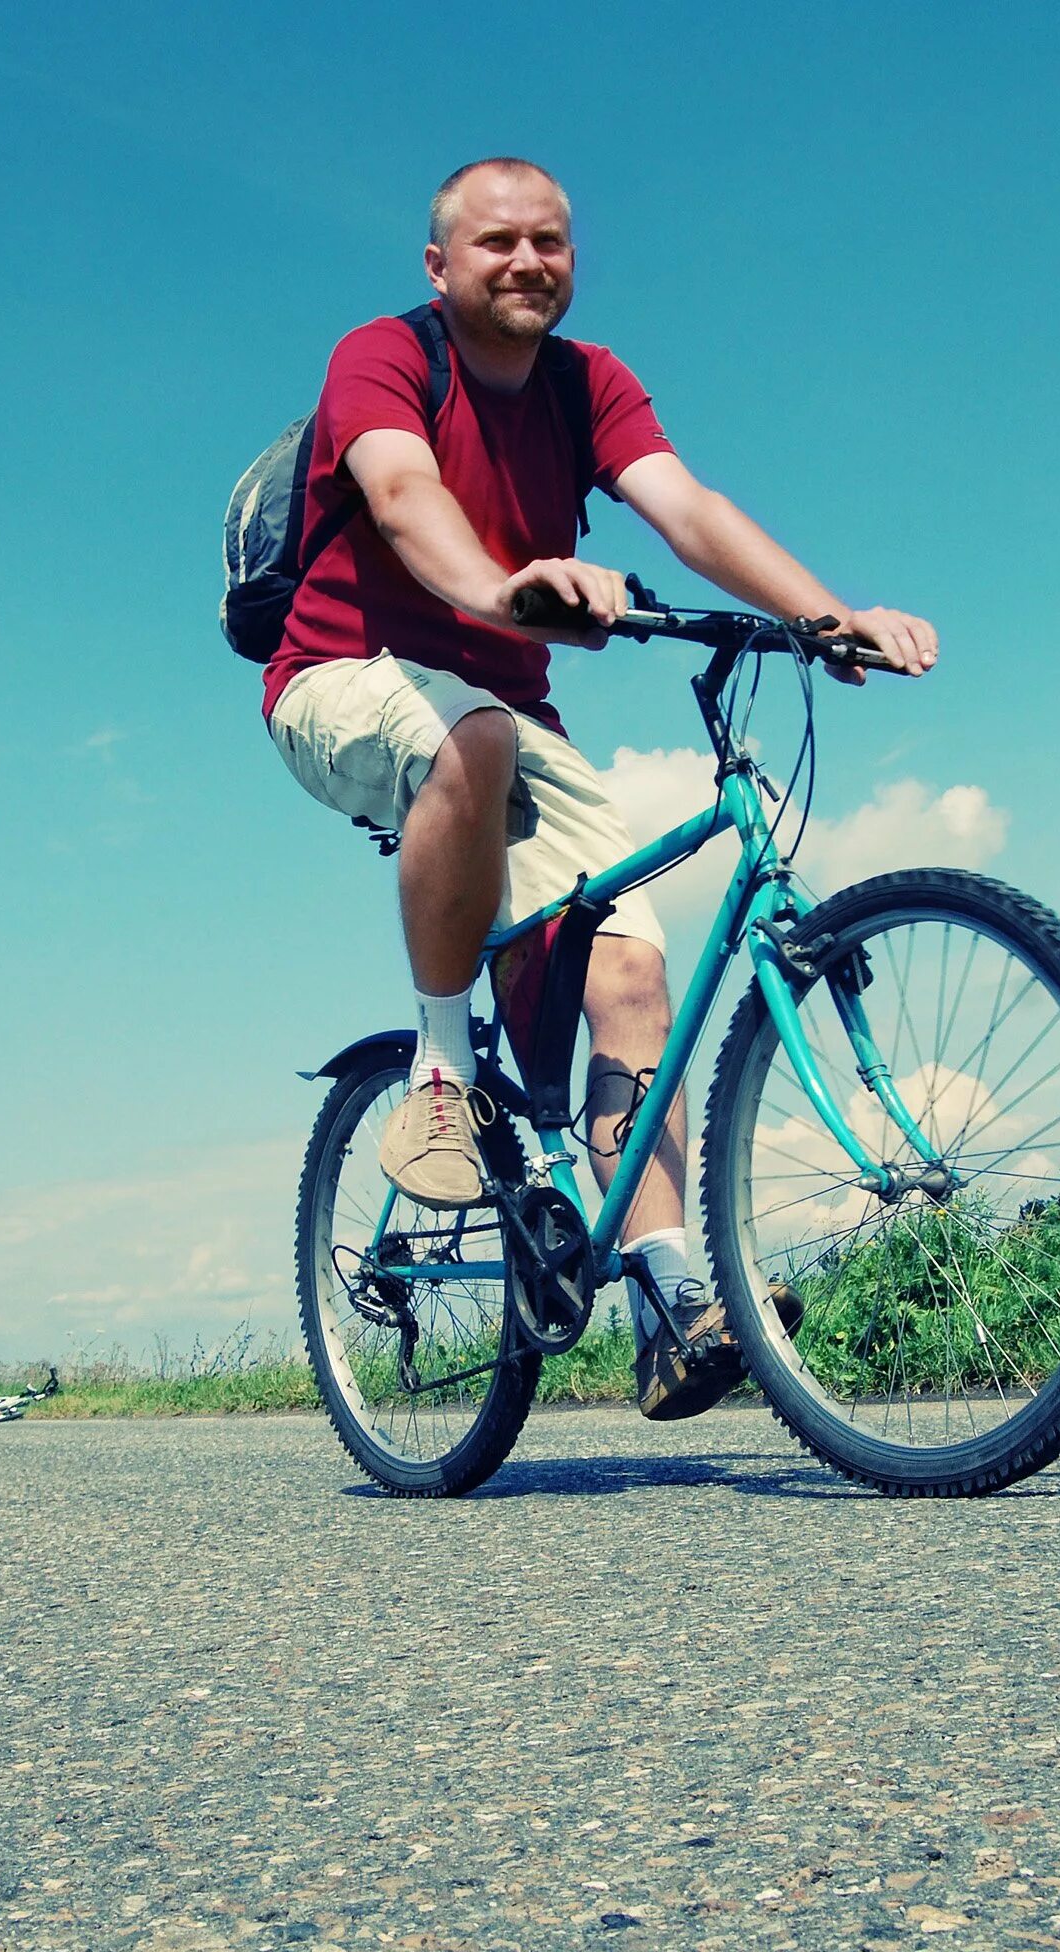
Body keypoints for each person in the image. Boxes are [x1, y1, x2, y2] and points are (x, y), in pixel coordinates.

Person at [263, 157, 936, 1420]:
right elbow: (403, 493)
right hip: (341, 675)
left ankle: (672, 1299)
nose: (528, 262)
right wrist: (502, 589)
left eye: (553, 243)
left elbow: (685, 508)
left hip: (505, 709)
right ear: (439, 265)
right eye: (498, 242)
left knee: (633, 960)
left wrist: (827, 616)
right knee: (475, 744)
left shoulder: (590, 384)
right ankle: (442, 1072)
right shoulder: (383, 356)